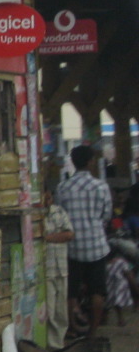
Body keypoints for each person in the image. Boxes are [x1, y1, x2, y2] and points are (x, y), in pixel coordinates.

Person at [58, 144, 111, 340]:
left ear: (72, 162)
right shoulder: (101, 186)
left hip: (72, 248)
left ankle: (72, 328)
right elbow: (106, 214)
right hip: (96, 246)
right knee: (97, 290)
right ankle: (93, 331)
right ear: (90, 162)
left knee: (71, 291)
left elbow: (61, 218)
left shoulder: (63, 187)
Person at [41, 172, 74, 350]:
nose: (47, 199)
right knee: (50, 310)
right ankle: (51, 345)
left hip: (61, 267)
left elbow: (69, 234)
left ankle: (58, 344)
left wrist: (48, 238)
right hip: (45, 270)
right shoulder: (37, 215)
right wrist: (54, 237)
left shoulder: (59, 212)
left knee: (60, 310)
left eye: (48, 195)